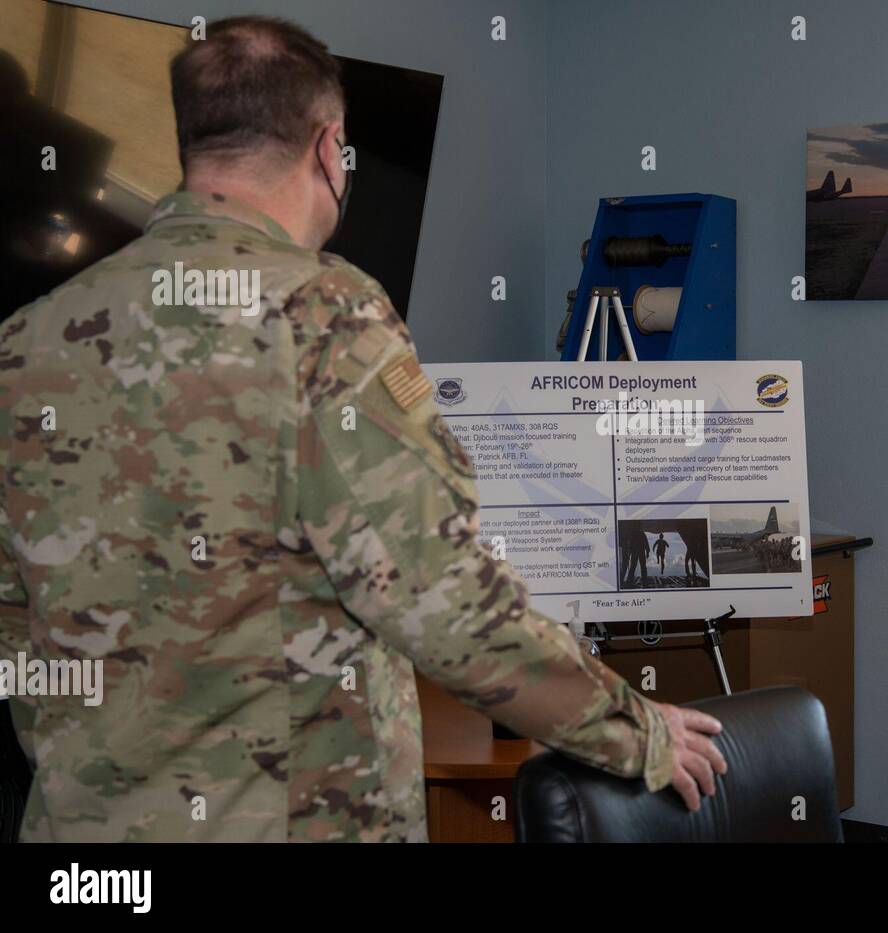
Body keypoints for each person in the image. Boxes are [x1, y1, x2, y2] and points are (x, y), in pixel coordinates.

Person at [0, 16, 725, 842]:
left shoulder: (27, 340)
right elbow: (443, 596)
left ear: (190, 144)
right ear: (329, 147)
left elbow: (12, 622)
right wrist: (638, 731)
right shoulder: (326, 316)